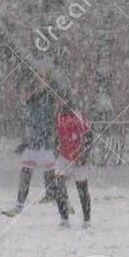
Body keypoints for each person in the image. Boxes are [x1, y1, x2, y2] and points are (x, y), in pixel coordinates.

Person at [2, 73, 61, 218]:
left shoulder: (47, 98)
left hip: (45, 145)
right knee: (25, 174)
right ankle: (19, 206)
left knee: (53, 176)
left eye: (24, 93)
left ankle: (63, 204)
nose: (23, 97)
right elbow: (32, 125)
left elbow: (55, 98)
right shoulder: (31, 104)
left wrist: (46, 86)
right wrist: (26, 143)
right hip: (33, 145)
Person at [54, 95, 93, 227]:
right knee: (58, 184)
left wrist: (84, 154)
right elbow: (58, 135)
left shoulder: (77, 116)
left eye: (61, 99)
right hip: (64, 155)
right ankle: (64, 219)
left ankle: (87, 220)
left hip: (79, 157)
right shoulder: (59, 116)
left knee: (82, 188)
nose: (59, 102)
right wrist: (57, 147)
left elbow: (88, 136)